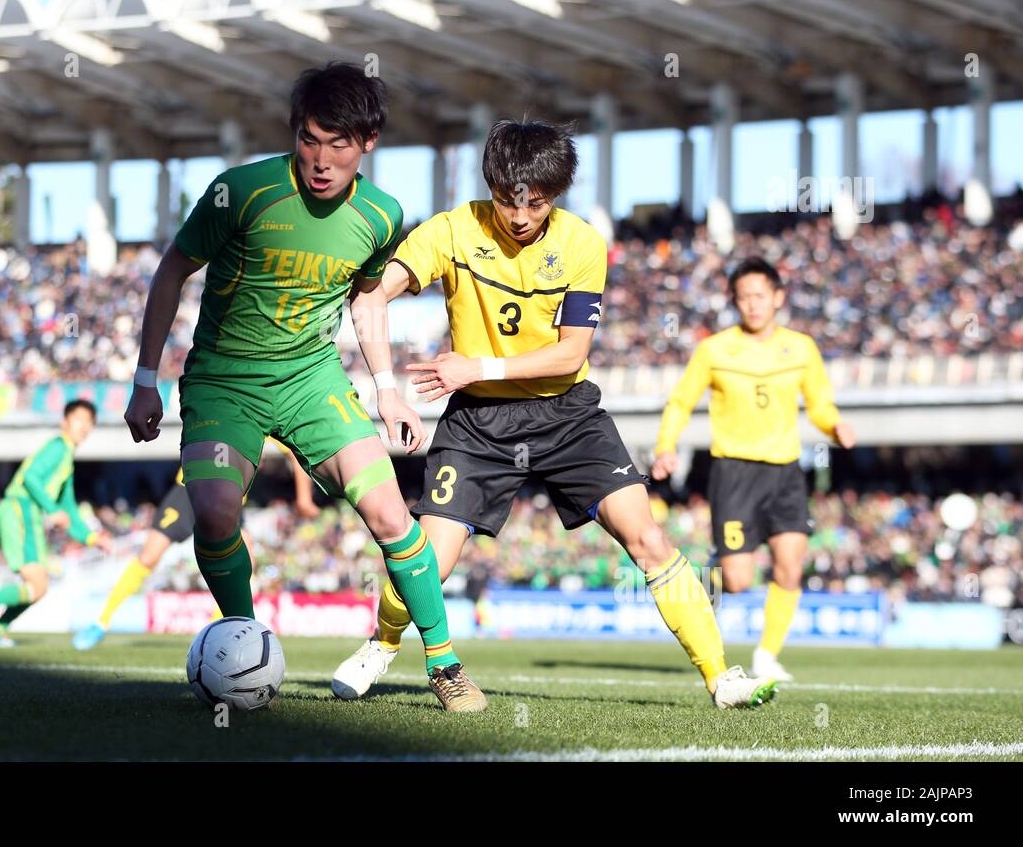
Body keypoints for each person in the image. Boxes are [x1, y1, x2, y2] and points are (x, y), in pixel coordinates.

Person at [331, 119, 776, 710]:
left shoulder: (583, 244)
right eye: (506, 201)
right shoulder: (451, 230)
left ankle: (721, 678)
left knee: (646, 536)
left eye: (535, 203)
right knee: (427, 560)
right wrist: (386, 389)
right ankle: (382, 644)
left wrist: (476, 367)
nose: (518, 217)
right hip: (479, 425)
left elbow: (572, 352)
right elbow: (371, 294)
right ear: (491, 185)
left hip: (567, 414)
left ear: (556, 194)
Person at [122, 62, 484, 711]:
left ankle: (445, 663)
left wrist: (387, 388)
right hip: (223, 382)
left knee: (391, 514)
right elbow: (173, 270)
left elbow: (367, 297)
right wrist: (145, 379)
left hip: (310, 378)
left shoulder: (381, 214)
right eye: (309, 139)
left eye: (339, 144)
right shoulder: (243, 191)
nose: (321, 160)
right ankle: (246, 638)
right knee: (212, 513)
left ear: (368, 142)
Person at [651, 256, 856, 682]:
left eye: (760, 296)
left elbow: (819, 404)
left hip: (784, 472)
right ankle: (713, 567)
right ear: (735, 302)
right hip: (735, 472)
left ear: (778, 297)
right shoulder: (715, 349)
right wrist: (666, 446)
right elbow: (681, 401)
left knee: (790, 564)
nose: (753, 305)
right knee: (739, 581)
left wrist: (834, 425)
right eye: (744, 298)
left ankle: (767, 654)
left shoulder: (801, 348)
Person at [70, 443, 315, 650]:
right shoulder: (214, 396)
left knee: (245, 563)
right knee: (149, 555)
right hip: (189, 490)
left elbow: (294, 451)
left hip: (230, 498)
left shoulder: (262, 409)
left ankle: (214, 634)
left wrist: (304, 497)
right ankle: (101, 621)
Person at [0, 399, 113, 647]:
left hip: (25, 512)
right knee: (37, 584)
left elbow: (69, 510)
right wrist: (51, 510)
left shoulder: (66, 460)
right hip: (21, 509)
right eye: (79, 419)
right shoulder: (58, 448)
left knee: (38, 586)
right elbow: (31, 478)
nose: (85, 427)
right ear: (65, 422)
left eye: (90, 423)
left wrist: (92, 538)